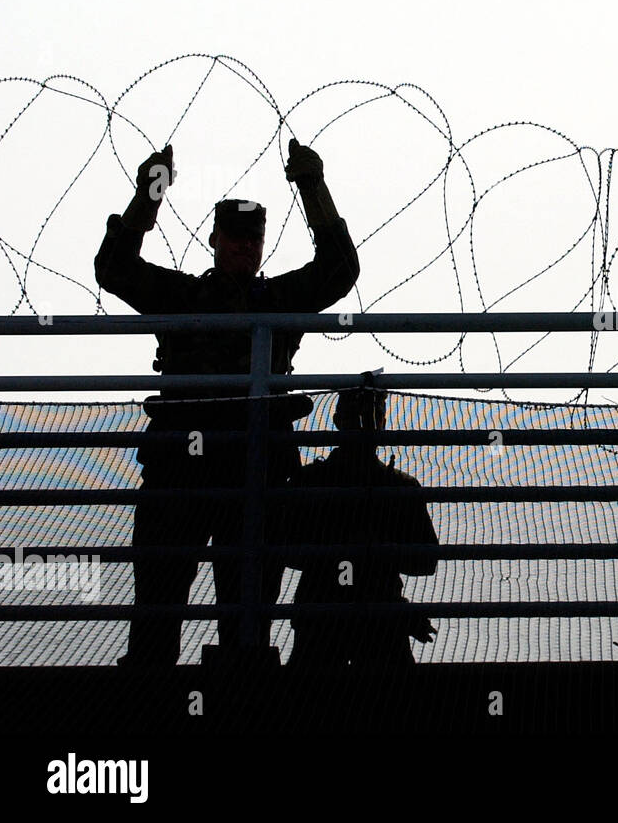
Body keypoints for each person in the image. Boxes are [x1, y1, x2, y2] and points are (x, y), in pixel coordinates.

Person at [95, 139, 360, 666]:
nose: (244, 247)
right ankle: (153, 696)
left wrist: (313, 186)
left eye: (253, 239)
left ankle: (239, 701)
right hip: (185, 468)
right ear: (215, 239)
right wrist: (149, 194)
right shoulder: (182, 296)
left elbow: (339, 269)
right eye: (235, 238)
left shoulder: (275, 299)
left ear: (262, 243)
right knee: (159, 600)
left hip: (251, 468)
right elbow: (114, 268)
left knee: (247, 608)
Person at [277, 380, 439, 668]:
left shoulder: (311, 481)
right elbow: (425, 561)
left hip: (322, 613)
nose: (366, 422)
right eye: (363, 414)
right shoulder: (399, 486)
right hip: (379, 614)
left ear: (337, 420)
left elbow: (286, 549)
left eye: (371, 414)